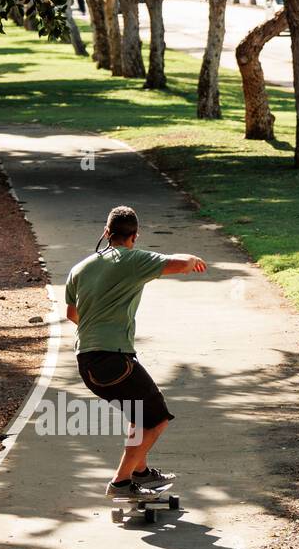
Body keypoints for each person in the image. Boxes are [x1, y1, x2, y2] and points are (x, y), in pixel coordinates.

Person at [64, 204, 206, 497]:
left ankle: (140, 472)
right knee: (158, 419)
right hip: (113, 359)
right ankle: (121, 482)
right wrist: (194, 259)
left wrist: (97, 323)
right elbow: (179, 264)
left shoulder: (79, 268)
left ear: (106, 233)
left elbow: (72, 314)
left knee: (138, 414)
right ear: (135, 236)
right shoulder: (133, 259)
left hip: (86, 361)